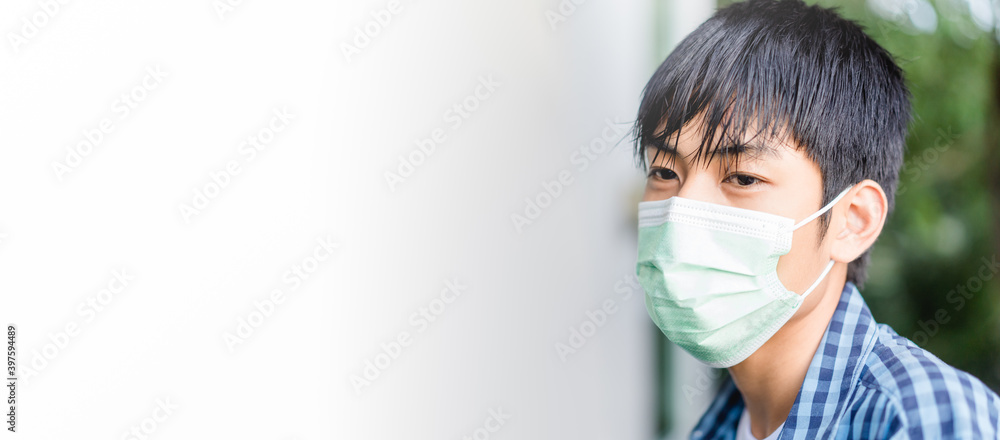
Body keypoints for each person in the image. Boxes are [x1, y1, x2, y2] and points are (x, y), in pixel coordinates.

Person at [629, 0, 1000, 439]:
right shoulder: (717, 428)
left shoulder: (922, 416)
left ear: (853, 221)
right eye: (664, 172)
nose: (682, 213)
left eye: (743, 177)